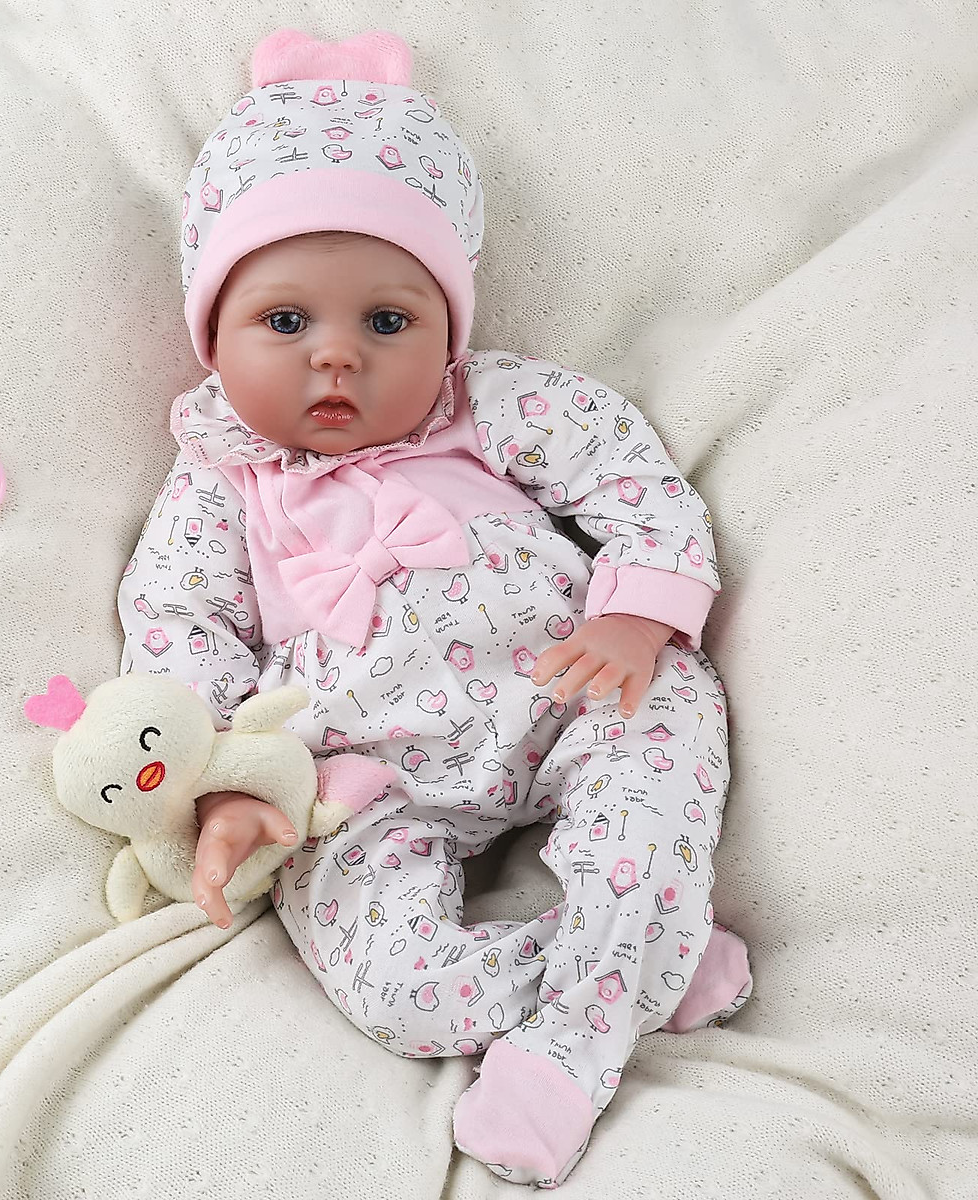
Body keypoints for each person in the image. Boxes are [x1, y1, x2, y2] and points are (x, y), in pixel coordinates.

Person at [118, 26, 753, 1188]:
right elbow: (178, 624)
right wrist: (231, 782)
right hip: (366, 771)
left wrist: (635, 613)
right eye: (286, 322)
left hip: (570, 685)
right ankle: (635, 964)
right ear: (211, 336)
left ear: (448, 327)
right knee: (392, 983)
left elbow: (626, 472)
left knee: (661, 743)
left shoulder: (489, 403)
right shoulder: (218, 476)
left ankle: (568, 1054)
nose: (337, 359)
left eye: (388, 322)